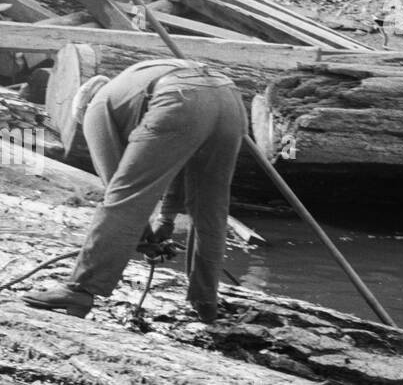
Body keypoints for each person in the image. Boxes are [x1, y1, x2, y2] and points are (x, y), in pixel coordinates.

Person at [23, 57, 245, 321]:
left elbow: (119, 190)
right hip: (228, 96)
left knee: (122, 197)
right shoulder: (129, 87)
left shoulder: (96, 106)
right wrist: (165, 220)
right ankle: (206, 301)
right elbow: (181, 161)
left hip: (180, 96)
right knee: (211, 207)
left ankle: (80, 289)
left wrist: (145, 238)